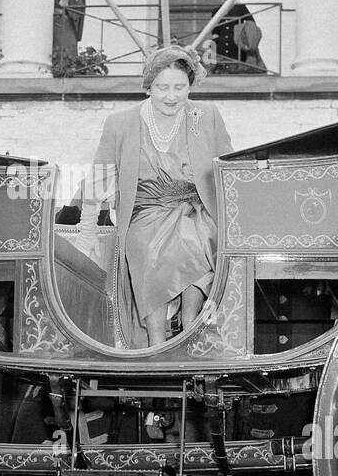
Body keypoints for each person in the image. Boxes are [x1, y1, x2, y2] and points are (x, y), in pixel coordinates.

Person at [81, 45, 233, 347]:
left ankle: (191, 327)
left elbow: (229, 169)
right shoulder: (121, 122)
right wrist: (87, 231)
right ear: (149, 85)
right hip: (145, 212)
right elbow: (99, 177)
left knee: (202, 235)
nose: (172, 96)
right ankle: (156, 341)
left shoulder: (207, 116)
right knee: (150, 249)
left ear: (191, 85)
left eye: (180, 87)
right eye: (163, 87)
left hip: (195, 208)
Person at [209, 0, 262, 75]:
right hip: (221, 48)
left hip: (237, 46)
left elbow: (251, 24)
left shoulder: (240, 8)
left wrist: (245, 38)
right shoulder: (216, 10)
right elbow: (215, 31)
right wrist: (214, 47)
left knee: (239, 71)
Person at [51, 0, 87, 74]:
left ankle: (70, 70)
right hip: (55, 23)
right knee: (57, 47)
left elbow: (81, 9)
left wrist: (68, 9)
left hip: (70, 22)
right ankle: (57, 70)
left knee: (70, 48)